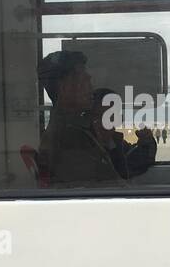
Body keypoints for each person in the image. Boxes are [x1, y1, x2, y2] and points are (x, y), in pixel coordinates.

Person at [36, 50, 121, 187]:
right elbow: (96, 190)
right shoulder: (71, 138)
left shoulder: (72, 129)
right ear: (65, 88)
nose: (91, 88)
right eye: (85, 81)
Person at [92, 87, 157, 179]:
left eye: (111, 116)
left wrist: (146, 143)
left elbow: (135, 163)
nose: (102, 123)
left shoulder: (116, 143)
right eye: (98, 117)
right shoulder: (82, 146)